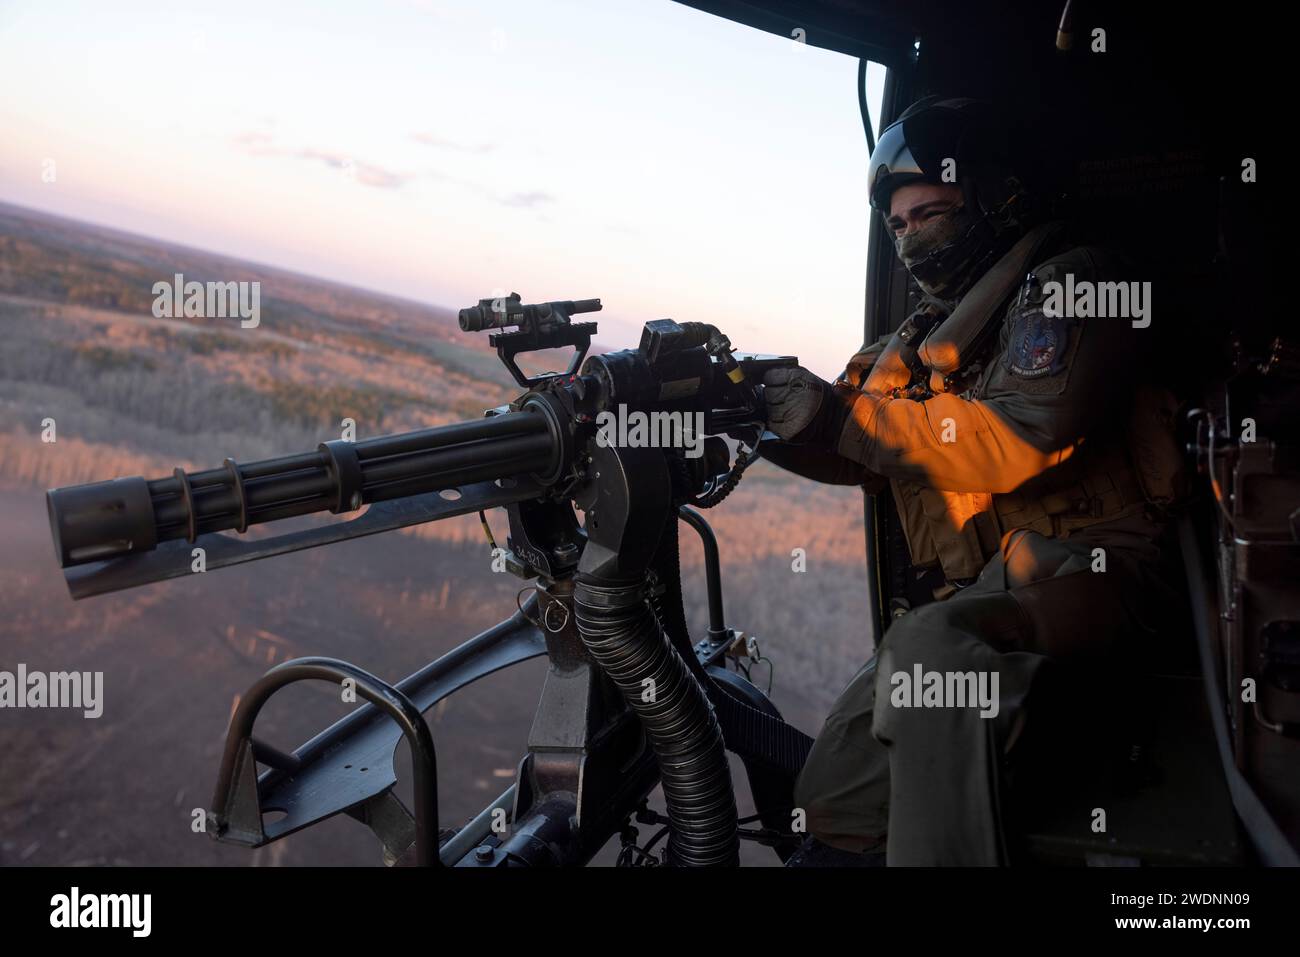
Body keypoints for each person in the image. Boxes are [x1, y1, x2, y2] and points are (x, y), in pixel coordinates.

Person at [763, 96, 1185, 865]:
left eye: (931, 212)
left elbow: (1019, 437)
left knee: (927, 653)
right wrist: (750, 421)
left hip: (1102, 569)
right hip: (998, 587)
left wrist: (834, 418)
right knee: (833, 796)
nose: (910, 235)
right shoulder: (918, 335)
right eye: (897, 224)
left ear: (997, 197)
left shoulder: (1077, 285)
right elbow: (854, 449)